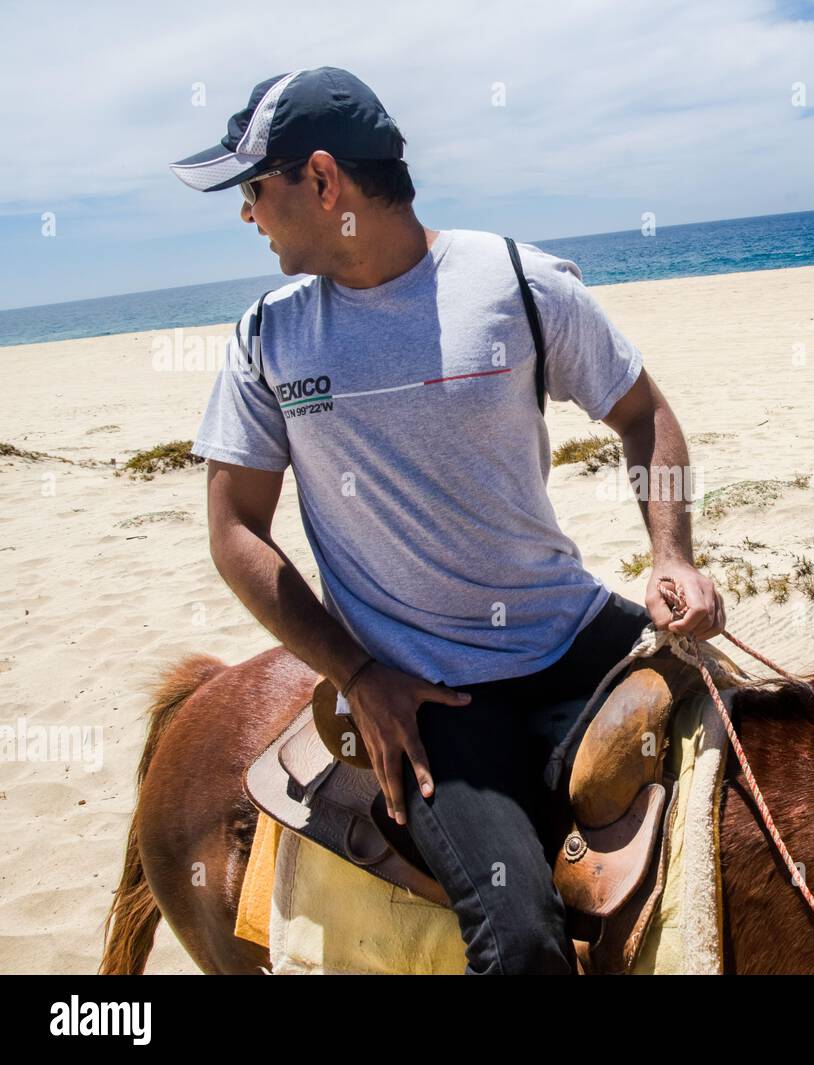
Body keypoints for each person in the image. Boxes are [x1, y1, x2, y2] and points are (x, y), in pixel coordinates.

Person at [170, 66, 725, 974]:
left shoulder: (516, 281)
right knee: (520, 943)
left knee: (775, 768)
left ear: (321, 180)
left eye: (253, 188)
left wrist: (673, 557)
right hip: (434, 702)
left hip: (579, 638)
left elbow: (644, 416)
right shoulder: (267, 340)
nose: (245, 214)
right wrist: (356, 671)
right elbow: (236, 530)